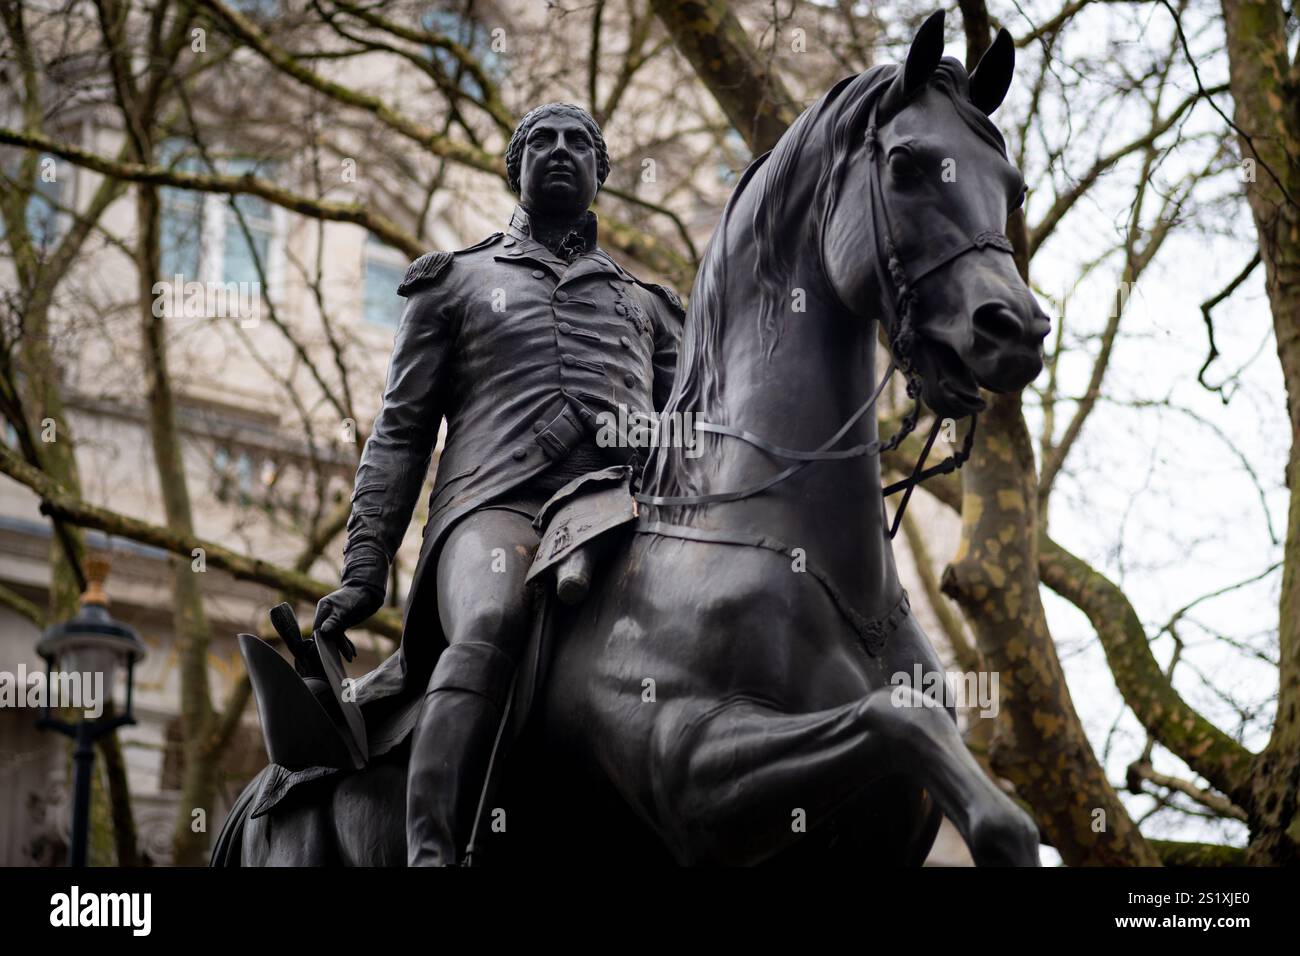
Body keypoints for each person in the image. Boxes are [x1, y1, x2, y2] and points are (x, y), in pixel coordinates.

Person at [311, 103, 684, 865]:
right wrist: (363, 571)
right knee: (492, 619)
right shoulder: (452, 283)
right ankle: (434, 850)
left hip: (624, 513)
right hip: (496, 508)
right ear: (513, 167)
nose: (557, 151)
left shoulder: (650, 306)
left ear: (601, 172)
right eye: (539, 140)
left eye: (577, 142)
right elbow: (401, 434)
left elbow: (695, 430)